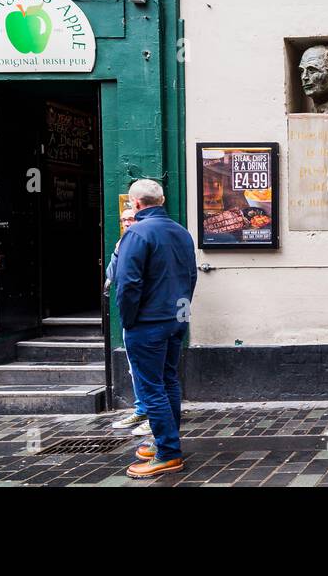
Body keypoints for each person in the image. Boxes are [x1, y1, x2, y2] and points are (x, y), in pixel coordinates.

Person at [113, 179, 198, 480]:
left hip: (147, 323)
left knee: (152, 388)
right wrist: (181, 313)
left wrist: (129, 319)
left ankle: (168, 453)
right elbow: (190, 276)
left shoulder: (136, 232)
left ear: (136, 204)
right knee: (169, 381)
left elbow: (128, 284)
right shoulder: (182, 232)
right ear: (161, 200)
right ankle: (166, 441)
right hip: (176, 319)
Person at [105, 209, 150, 436]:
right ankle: (141, 409)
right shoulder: (122, 244)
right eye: (123, 220)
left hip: (145, 316)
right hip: (130, 317)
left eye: (130, 218)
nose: (126, 223)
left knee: (150, 368)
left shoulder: (145, 241)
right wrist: (116, 252)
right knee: (134, 368)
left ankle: (153, 415)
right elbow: (111, 275)